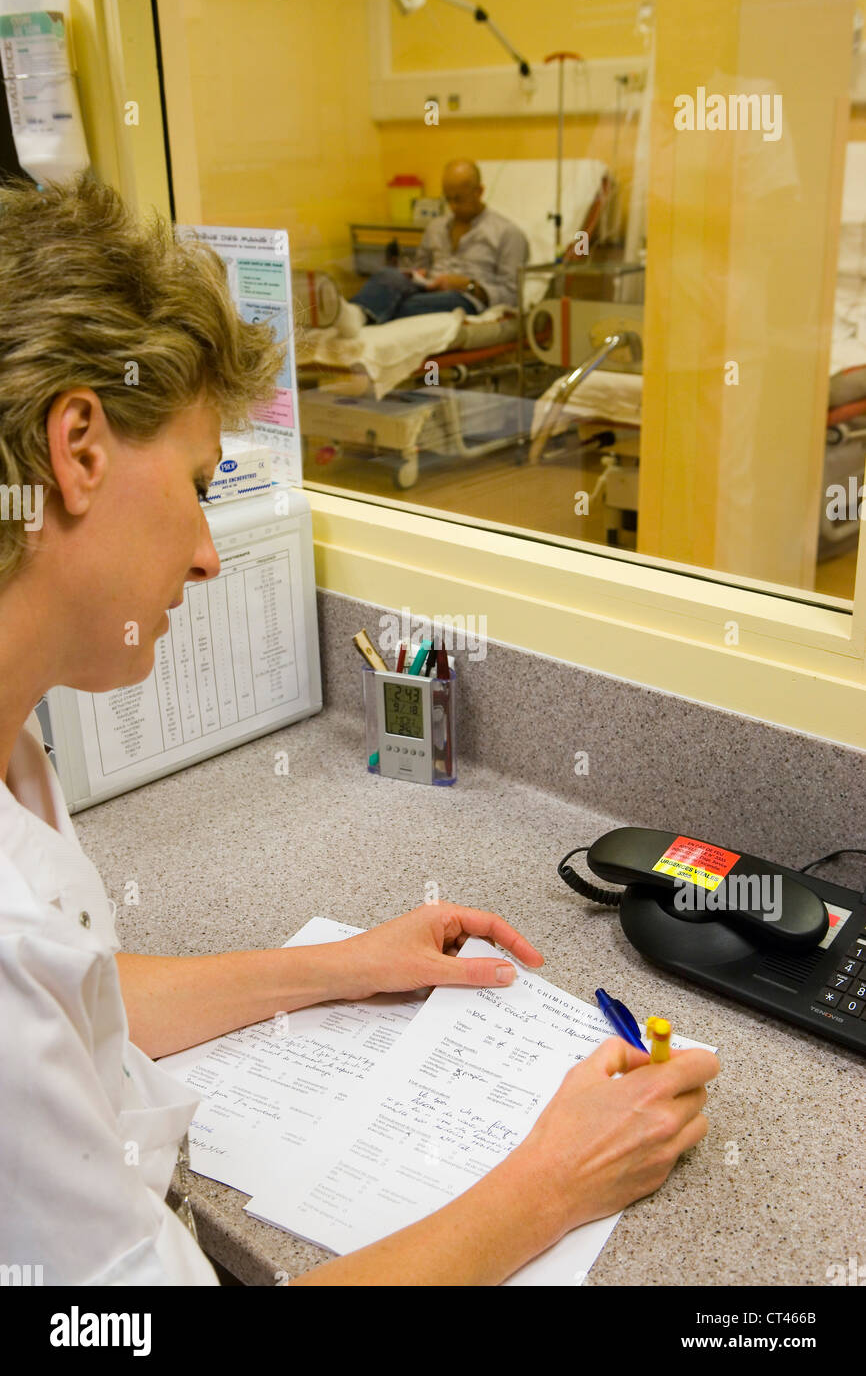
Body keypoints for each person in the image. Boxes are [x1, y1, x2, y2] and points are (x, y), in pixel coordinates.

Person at [0, 172, 719, 1286]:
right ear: (79, 448)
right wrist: (552, 1182)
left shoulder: (18, 750)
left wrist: (337, 967)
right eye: (197, 483)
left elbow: (81, 990)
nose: (204, 549)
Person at [335, 158, 530, 335]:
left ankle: (359, 315)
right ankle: (354, 314)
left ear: (479, 191)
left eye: (459, 199)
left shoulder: (507, 234)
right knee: (388, 275)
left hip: (465, 298)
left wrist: (466, 285)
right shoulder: (436, 227)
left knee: (410, 306)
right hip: (428, 288)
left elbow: (511, 295)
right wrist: (416, 274)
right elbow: (421, 267)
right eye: (448, 199)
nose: (452, 206)